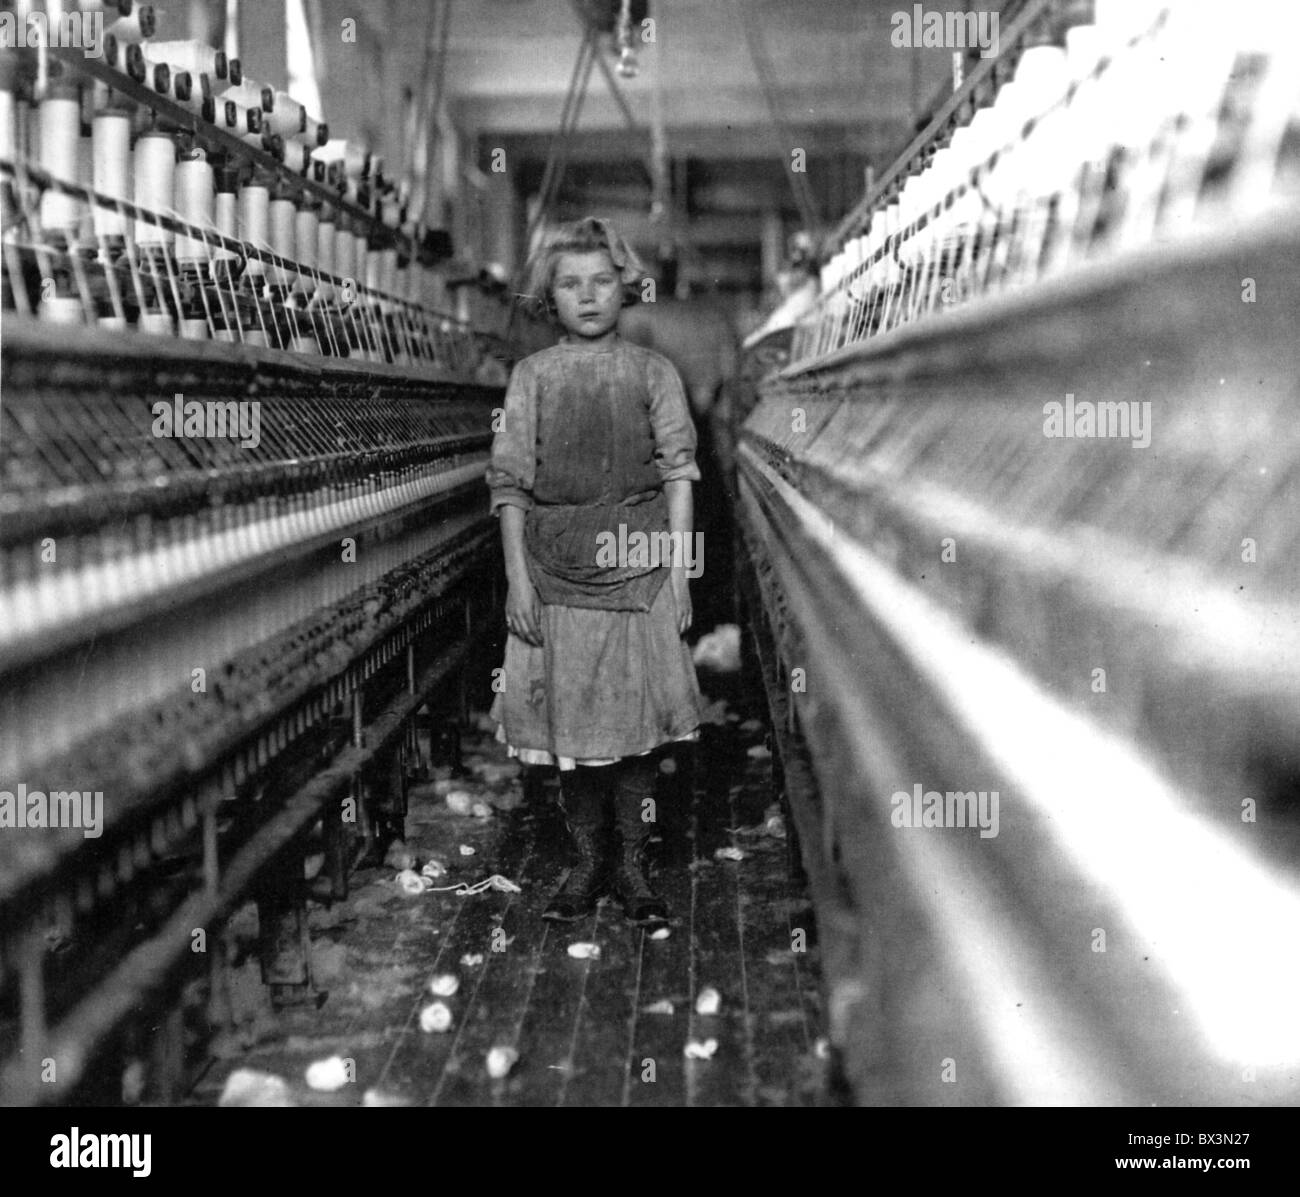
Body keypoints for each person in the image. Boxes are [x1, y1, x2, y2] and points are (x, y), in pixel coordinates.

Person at [485, 217, 704, 929]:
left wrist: (679, 575)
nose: (587, 296)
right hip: (554, 571)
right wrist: (519, 580)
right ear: (551, 295)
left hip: (640, 572)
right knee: (571, 739)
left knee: (638, 735)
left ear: (625, 287)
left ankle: (635, 867)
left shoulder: (654, 373)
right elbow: (510, 486)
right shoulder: (532, 377)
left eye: (602, 281)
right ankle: (585, 864)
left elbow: (679, 476)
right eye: (570, 284)